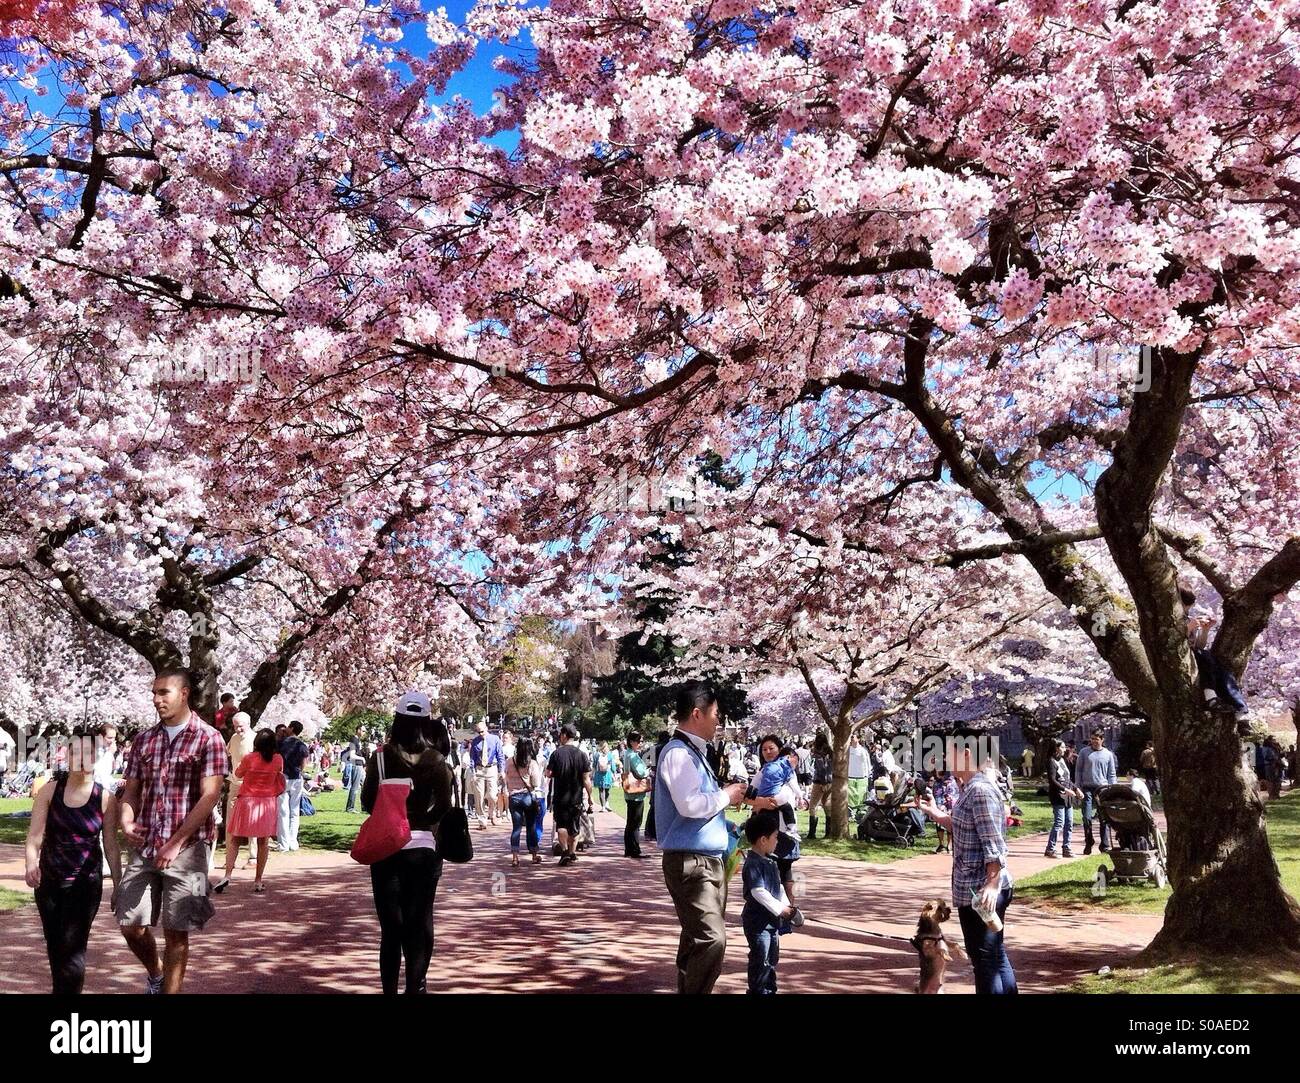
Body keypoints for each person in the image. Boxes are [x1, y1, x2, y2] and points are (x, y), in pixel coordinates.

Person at [115, 668, 228, 994]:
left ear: (185, 693)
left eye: (164, 692)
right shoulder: (144, 740)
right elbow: (132, 790)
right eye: (154, 693)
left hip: (189, 849)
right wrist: (126, 819)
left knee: (177, 930)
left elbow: (210, 796)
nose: (156, 699)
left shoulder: (208, 738)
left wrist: (176, 843)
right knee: (130, 925)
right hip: (147, 844)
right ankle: (156, 973)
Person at [655, 682, 756, 994]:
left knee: (695, 937)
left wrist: (725, 814)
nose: (719, 721)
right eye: (716, 715)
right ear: (697, 713)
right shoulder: (679, 754)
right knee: (711, 938)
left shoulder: (692, 753)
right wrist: (725, 795)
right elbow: (691, 804)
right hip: (692, 863)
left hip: (706, 861)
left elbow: (699, 805)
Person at [362, 692, 454, 995]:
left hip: (388, 846)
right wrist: (419, 816)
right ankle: (415, 987)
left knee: (391, 927)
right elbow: (443, 806)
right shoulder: (437, 761)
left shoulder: (381, 757)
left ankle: (389, 989)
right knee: (420, 919)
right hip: (423, 847)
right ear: (426, 722)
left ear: (397, 720)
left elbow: (366, 801)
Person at [25, 726, 122, 993]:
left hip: (84, 884)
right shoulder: (49, 791)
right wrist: (30, 864)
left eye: (88, 753)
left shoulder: (105, 798)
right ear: (67, 756)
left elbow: (112, 846)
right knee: (55, 945)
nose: (80, 759)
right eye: (75, 752)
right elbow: (34, 836)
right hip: (50, 883)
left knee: (74, 947)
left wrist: (118, 885)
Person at [919, 740, 1017, 995]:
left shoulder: (980, 790)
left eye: (948, 753)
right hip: (974, 889)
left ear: (966, 754)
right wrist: (935, 813)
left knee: (984, 959)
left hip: (981, 890)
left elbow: (993, 841)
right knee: (992, 955)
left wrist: (992, 883)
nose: (945, 759)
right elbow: (965, 827)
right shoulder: (971, 788)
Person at [214, 728, 284, 894]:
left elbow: (238, 774)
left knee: (235, 840)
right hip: (266, 803)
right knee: (263, 842)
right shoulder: (278, 759)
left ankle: (228, 874)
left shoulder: (250, 758)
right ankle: (258, 880)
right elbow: (279, 776)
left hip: (247, 801)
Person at [740, 810, 797, 995]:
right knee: (760, 959)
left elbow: (778, 886)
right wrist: (780, 909)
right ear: (763, 840)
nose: (777, 841)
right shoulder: (753, 863)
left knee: (771, 959)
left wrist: (788, 906)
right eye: (775, 837)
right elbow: (758, 892)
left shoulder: (771, 861)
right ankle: (758, 991)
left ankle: (769, 990)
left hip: (771, 923)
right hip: (758, 923)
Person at [545, 724, 593, 866]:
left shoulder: (556, 754)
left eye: (560, 734)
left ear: (565, 735)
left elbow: (548, 773)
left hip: (560, 795)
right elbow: (586, 779)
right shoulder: (582, 755)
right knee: (575, 826)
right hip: (576, 796)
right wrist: (590, 797)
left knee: (561, 825)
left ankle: (565, 851)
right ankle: (572, 852)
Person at [1074, 728, 1118, 855]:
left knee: (1103, 818)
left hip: (1102, 789)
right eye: (1092, 739)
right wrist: (1077, 787)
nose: (1093, 741)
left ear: (1102, 740)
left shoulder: (1108, 754)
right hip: (1087, 787)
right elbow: (1078, 771)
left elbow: (1111, 774)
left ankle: (1104, 845)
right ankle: (1089, 841)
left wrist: (1112, 789)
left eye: (1096, 739)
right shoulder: (1084, 752)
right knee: (1087, 817)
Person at [504, 736, 543, 867]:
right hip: (527, 797)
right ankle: (533, 854)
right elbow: (536, 783)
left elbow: (506, 777)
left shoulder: (509, 761)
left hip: (513, 797)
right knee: (531, 827)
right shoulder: (531, 763)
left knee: (516, 828)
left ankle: (515, 857)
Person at [1044, 740, 1081, 859]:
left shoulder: (1062, 761)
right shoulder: (1051, 761)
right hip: (1058, 796)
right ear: (1056, 748)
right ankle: (1050, 849)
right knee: (1059, 822)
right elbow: (1052, 780)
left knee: (1069, 822)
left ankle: (1066, 848)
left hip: (1068, 797)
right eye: (1063, 747)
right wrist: (1065, 789)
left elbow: (1067, 779)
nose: (1065, 749)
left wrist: (1076, 789)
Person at [277, 721, 309, 852]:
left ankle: (283, 843)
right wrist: (300, 770)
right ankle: (293, 841)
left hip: (283, 777)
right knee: (294, 811)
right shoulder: (302, 745)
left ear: (292, 728)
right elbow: (304, 763)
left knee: (283, 811)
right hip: (296, 777)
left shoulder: (282, 743)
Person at [470, 720, 505, 829]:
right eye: (478, 732)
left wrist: (501, 770)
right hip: (479, 769)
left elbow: (500, 756)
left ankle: (492, 813)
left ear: (486, 728)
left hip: (492, 768)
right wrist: (473, 771)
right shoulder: (475, 742)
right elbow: (472, 758)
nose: (481, 734)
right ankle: (482, 821)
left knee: (492, 795)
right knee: (479, 796)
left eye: (482, 731)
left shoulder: (495, 739)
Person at [621, 731, 651, 858]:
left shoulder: (627, 754)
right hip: (636, 793)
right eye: (639, 741)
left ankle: (629, 849)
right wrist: (647, 769)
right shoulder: (632, 756)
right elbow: (640, 772)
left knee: (630, 822)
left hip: (629, 792)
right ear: (632, 742)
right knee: (636, 823)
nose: (640, 744)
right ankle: (635, 849)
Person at [806, 733, 833, 839]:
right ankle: (828, 832)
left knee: (813, 807)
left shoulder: (818, 753)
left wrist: (822, 782)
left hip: (820, 782)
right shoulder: (830, 752)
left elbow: (821, 768)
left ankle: (812, 833)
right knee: (827, 806)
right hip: (831, 782)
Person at [344, 727, 367, 814]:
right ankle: (350, 807)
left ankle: (364, 807)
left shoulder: (357, 741)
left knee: (364, 785)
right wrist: (362, 758)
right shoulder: (353, 740)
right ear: (358, 730)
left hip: (360, 765)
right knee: (355, 787)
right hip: (356, 765)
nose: (364, 733)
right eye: (363, 731)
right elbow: (352, 755)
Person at [847, 733, 870, 814]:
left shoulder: (863, 751)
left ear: (858, 739)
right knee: (850, 795)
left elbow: (867, 763)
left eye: (853, 737)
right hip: (850, 775)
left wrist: (867, 774)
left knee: (861, 794)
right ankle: (851, 810)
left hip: (861, 776)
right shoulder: (848, 750)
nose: (852, 739)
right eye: (851, 737)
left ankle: (860, 811)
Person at [593, 741, 614, 812]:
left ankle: (603, 807)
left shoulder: (596, 754)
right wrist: (614, 773)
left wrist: (592, 774)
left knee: (601, 790)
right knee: (607, 789)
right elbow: (612, 766)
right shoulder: (609, 755)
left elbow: (594, 765)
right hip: (607, 774)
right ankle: (607, 803)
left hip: (599, 774)